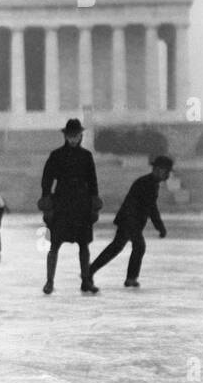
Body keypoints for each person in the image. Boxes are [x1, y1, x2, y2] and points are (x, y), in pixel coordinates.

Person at [86, 156, 173, 289]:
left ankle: (90, 271)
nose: (167, 174)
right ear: (157, 169)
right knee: (138, 246)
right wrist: (160, 227)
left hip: (131, 221)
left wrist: (158, 227)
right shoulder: (146, 183)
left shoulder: (151, 183)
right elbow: (150, 208)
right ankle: (130, 278)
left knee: (116, 247)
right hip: (130, 220)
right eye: (165, 171)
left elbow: (150, 208)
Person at [39, 118, 101, 295]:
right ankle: (49, 281)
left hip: (82, 203)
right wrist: (46, 200)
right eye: (71, 136)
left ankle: (86, 281)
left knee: (84, 245)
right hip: (62, 202)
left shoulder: (86, 156)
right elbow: (47, 179)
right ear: (65, 136)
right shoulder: (56, 155)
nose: (74, 139)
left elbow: (93, 182)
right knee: (54, 245)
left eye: (77, 136)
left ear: (81, 136)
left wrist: (94, 203)